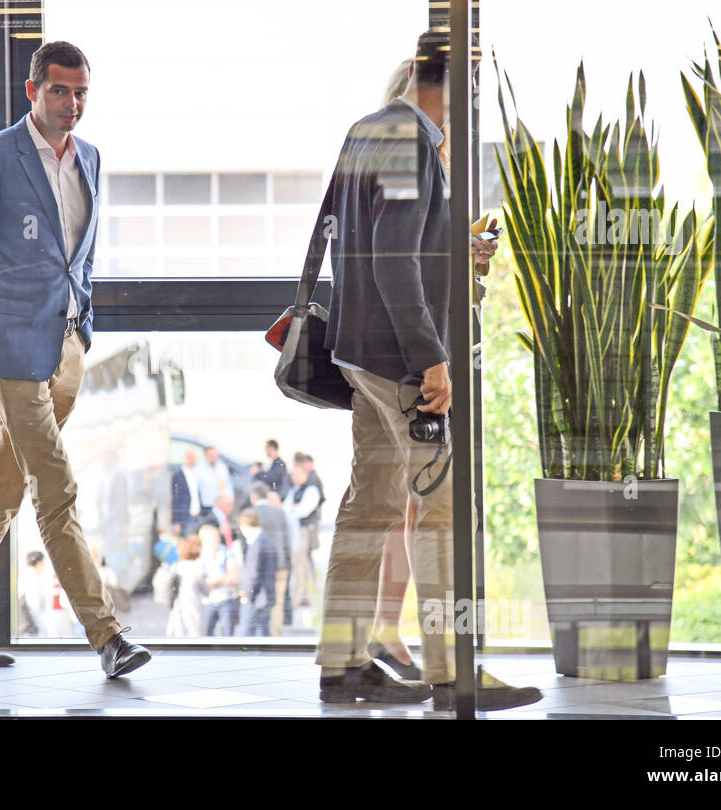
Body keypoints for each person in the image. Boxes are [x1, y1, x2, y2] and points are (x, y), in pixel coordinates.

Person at [315, 30, 540, 709]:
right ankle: (452, 673)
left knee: (370, 506)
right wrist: (431, 359)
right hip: (403, 366)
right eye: (464, 85)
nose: (465, 100)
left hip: (360, 356)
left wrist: (452, 247)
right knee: (442, 513)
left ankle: (342, 663)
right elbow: (390, 257)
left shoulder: (368, 128)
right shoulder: (412, 139)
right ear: (430, 76)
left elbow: (360, 238)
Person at [0, 40, 149, 679]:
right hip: (8, 350)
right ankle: (108, 637)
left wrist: (83, 328)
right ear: (32, 91)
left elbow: (79, 255)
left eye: (80, 94)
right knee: (56, 487)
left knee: (5, 489)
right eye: (58, 91)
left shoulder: (92, 159)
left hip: (67, 346)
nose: (71, 105)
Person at [248, 482, 291, 636]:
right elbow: (287, 540)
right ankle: (274, 636)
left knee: (258, 600)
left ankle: (260, 635)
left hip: (259, 566)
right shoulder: (279, 513)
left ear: (253, 498)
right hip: (280, 564)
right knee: (277, 603)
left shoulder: (250, 514)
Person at [284, 462, 322, 617]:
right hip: (295, 531)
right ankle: (305, 596)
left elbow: (303, 511)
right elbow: (286, 509)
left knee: (302, 564)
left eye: (296, 474)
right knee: (301, 564)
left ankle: (302, 596)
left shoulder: (311, 489)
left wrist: (294, 509)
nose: (293, 477)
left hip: (304, 531)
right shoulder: (295, 490)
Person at [236, 509, 279, 637]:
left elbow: (253, 574)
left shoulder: (257, 544)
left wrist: (247, 595)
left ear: (244, 525)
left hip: (256, 598)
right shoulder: (268, 541)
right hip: (266, 596)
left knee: (246, 638)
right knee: (263, 635)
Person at [198, 524, 240, 636]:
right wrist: (222, 577)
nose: (216, 540)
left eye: (217, 537)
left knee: (227, 634)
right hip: (208, 600)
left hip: (227, 598)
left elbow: (233, 577)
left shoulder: (226, 552)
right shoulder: (200, 555)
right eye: (213, 537)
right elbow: (201, 581)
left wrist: (213, 580)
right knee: (206, 633)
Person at [166, 535, 207, 638]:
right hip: (193, 605)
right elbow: (206, 589)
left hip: (177, 606)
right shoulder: (197, 567)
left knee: (179, 634)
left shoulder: (176, 566)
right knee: (195, 636)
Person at [172, 447, 203, 537]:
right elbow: (175, 500)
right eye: (190, 458)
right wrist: (176, 522)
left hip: (197, 515)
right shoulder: (178, 476)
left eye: (194, 458)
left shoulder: (197, 473)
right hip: (185, 518)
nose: (192, 460)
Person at [18, 550, 50, 637]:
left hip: (26, 628)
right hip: (30, 630)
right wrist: (44, 631)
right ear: (39, 563)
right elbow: (35, 609)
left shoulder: (25, 578)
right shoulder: (32, 582)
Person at [194, 445, 232, 515]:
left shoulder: (222, 468)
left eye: (215, 455)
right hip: (206, 505)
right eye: (211, 455)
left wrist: (230, 498)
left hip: (220, 505)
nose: (214, 458)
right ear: (206, 456)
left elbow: (227, 484)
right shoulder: (198, 469)